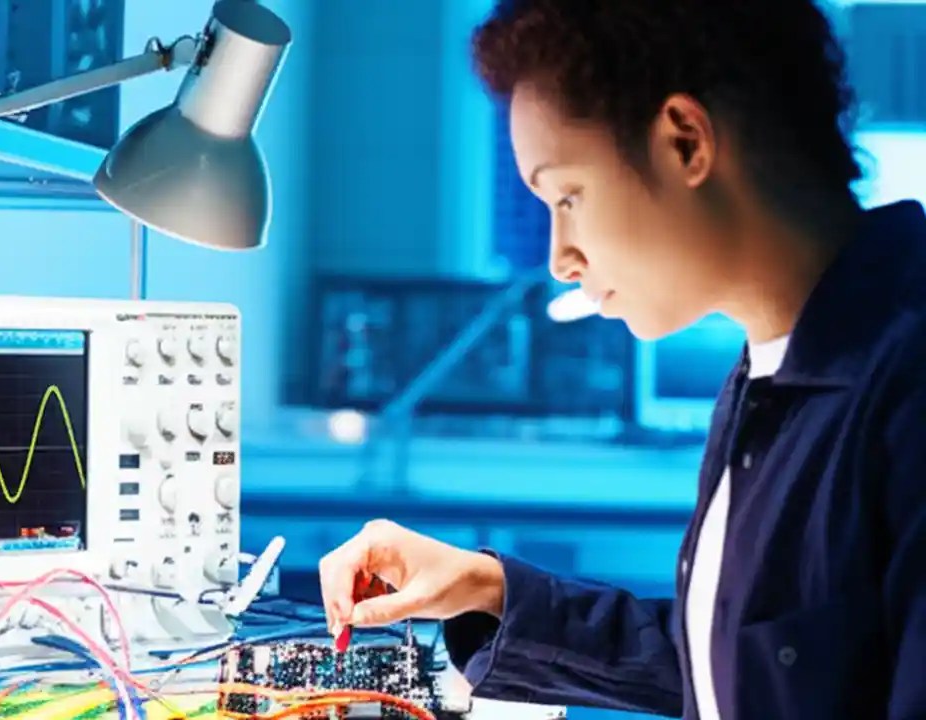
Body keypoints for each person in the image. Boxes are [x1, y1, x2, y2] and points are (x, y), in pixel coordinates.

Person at [317, 2, 926, 719]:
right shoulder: (767, 378)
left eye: (567, 195)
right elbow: (731, 658)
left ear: (685, 142)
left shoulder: (904, 393)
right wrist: (487, 588)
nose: (559, 258)